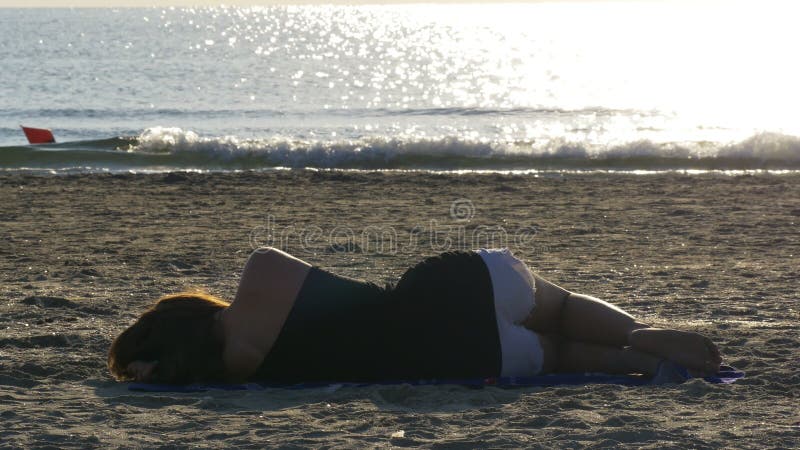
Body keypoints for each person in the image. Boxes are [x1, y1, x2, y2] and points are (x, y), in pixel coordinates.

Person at [108, 247, 722, 385]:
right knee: (557, 308)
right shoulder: (260, 274)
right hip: (443, 289)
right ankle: (645, 334)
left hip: (452, 356)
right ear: (188, 308)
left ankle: (642, 362)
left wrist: (153, 376)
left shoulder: (237, 372)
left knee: (558, 357)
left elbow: (176, 379)